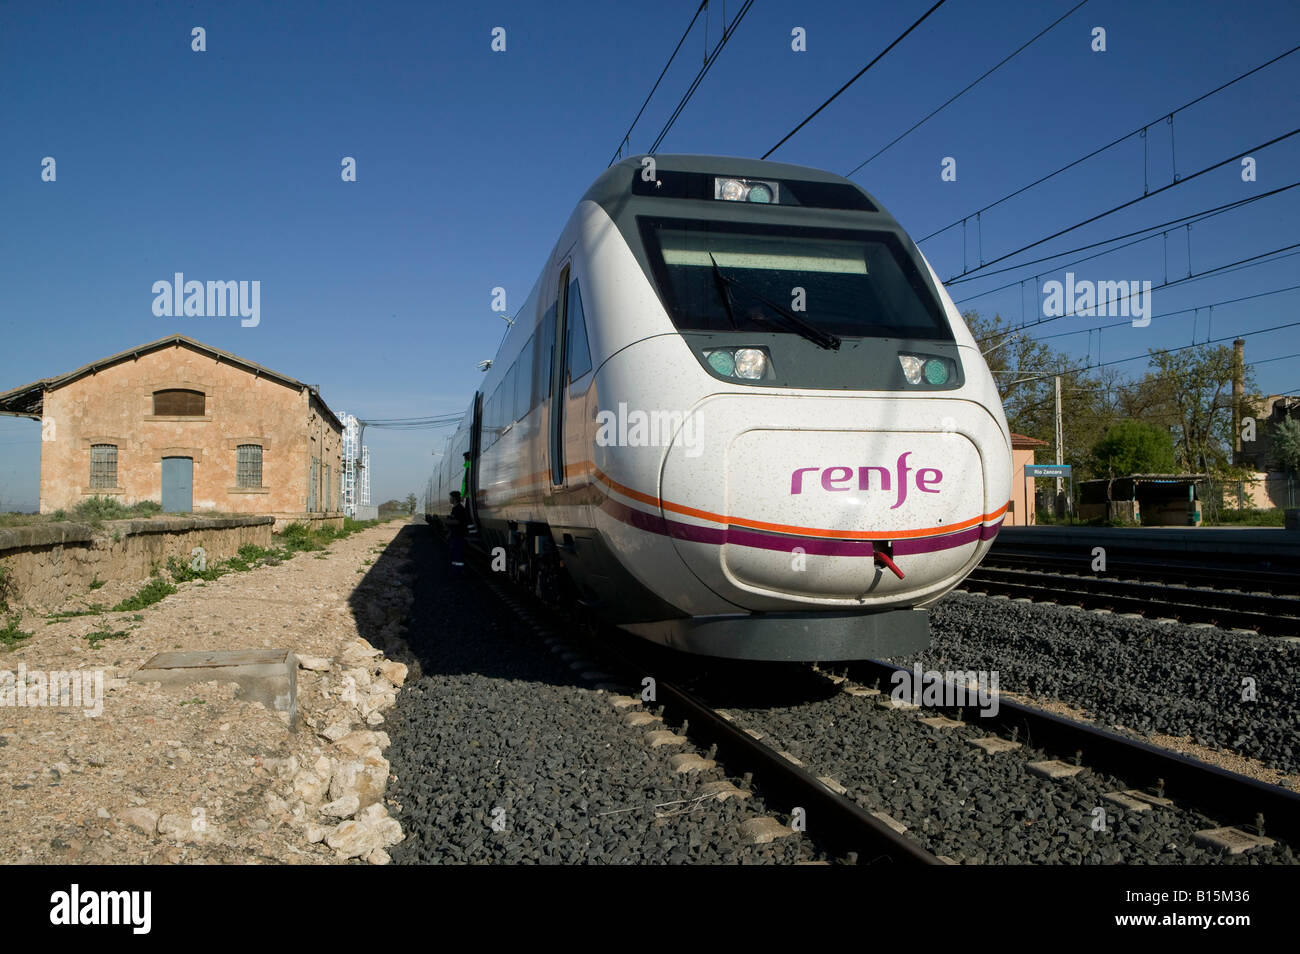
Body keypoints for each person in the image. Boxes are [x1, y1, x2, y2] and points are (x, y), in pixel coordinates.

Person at [447, 491, 468, 571]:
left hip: (458, 536)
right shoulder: (456, 508)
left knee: (457, 556)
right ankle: (455, 571)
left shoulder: (459, 508)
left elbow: (458, 521)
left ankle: (457, 573)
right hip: (455, 536)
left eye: (450, 497)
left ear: (454, 498)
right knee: (455, 555)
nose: (449, 499)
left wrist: (448, 521)